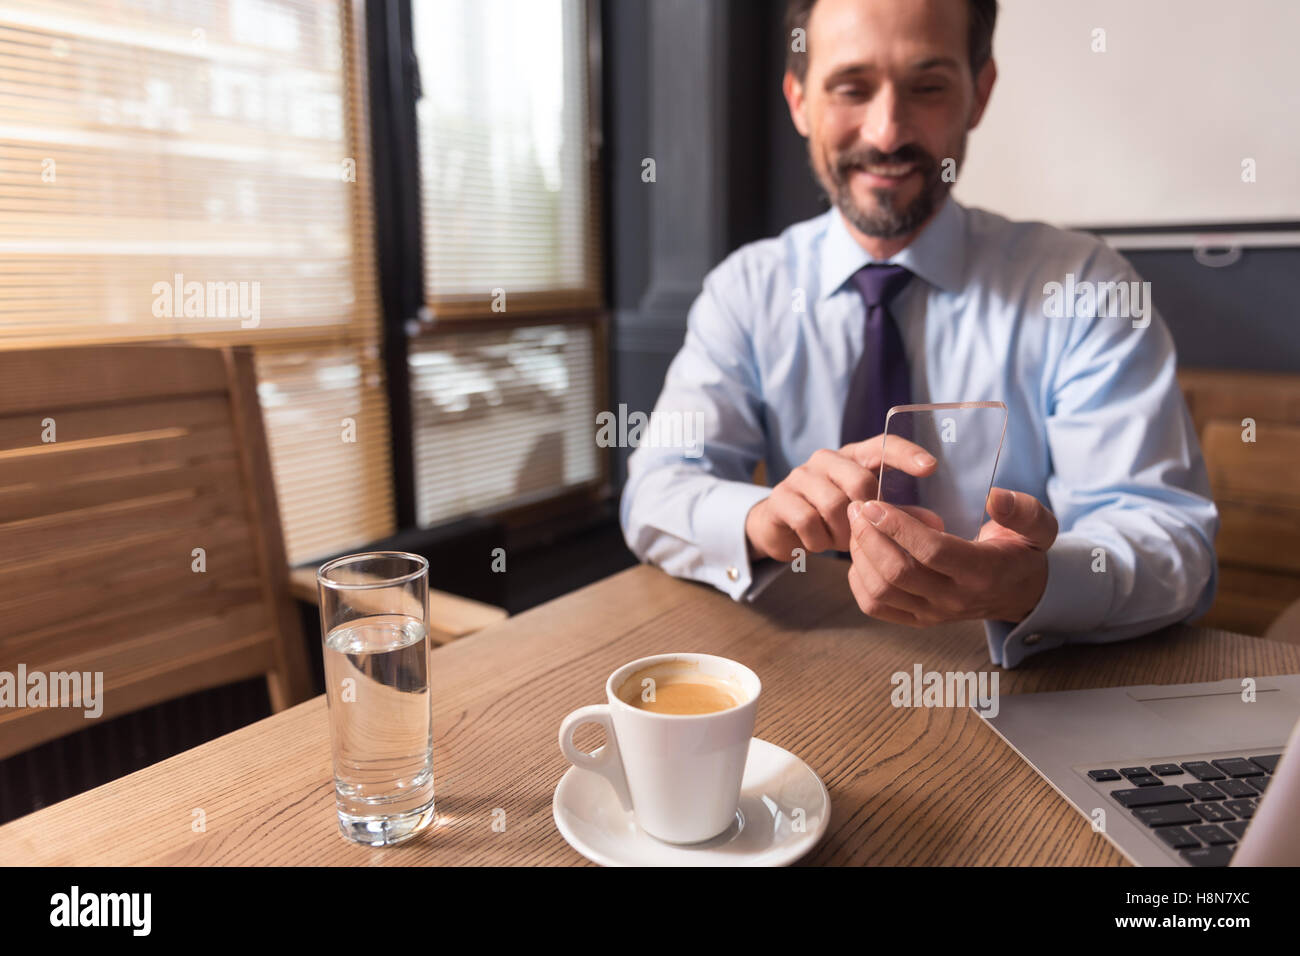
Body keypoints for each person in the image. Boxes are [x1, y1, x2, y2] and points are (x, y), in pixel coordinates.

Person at [619, 0, 1218, 668]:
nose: (886, 132)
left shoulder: (1085, 288)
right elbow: (656, 490)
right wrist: (758, 519)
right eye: (851, 89)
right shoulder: (747, 290)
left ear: (979, 93)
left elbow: (1175, 538)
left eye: (928, 87)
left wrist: (1038, 583)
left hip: (1032, 683)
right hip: (810, 668)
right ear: (798, 100)